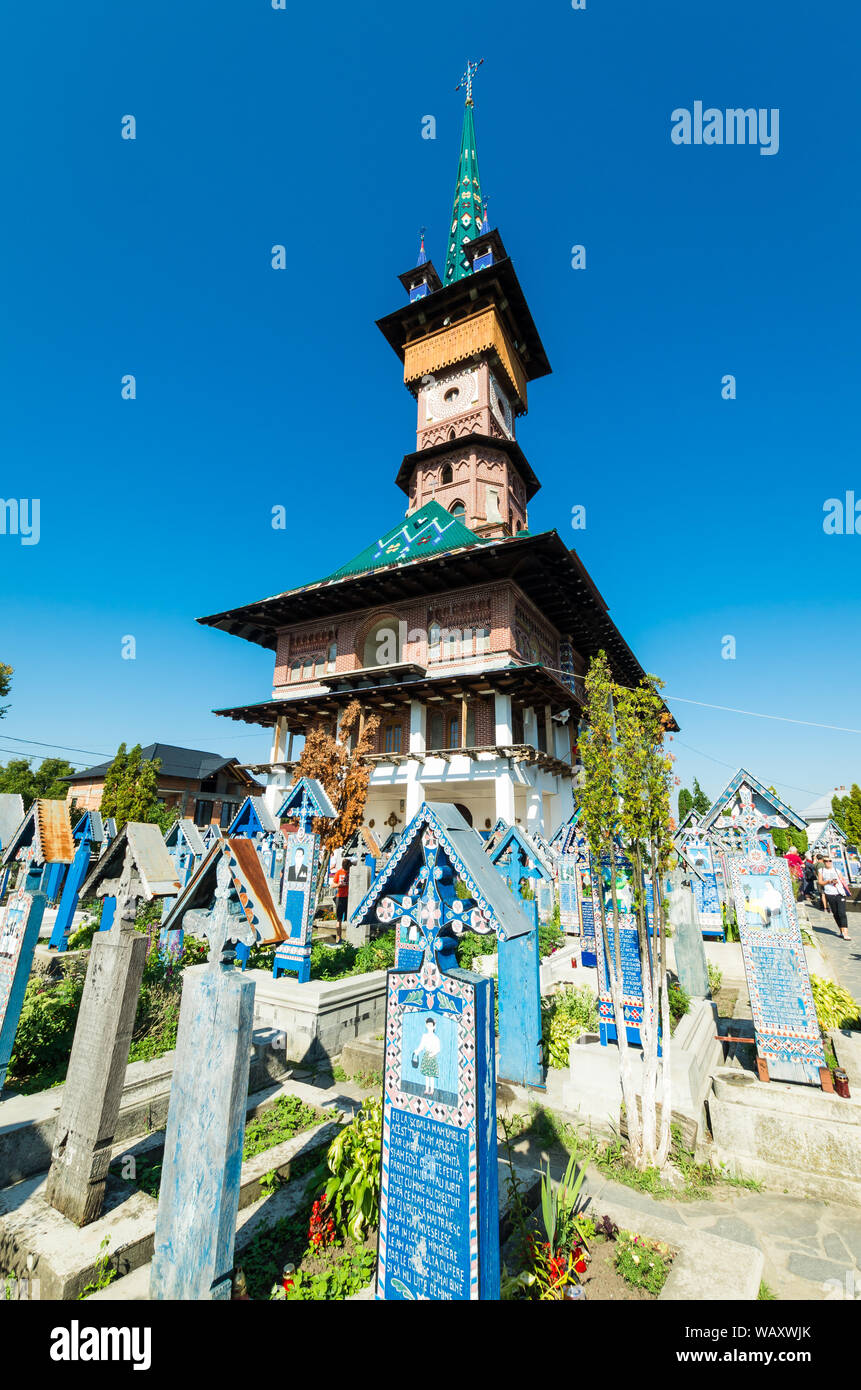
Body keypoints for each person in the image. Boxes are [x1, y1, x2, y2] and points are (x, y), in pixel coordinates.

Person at [817, 856, 851, 941]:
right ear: (823, 862)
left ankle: (846, 933)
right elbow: (820, 882)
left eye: (830, 861)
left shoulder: (837, 870)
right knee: (836, 913)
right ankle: (841, 930)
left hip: (839, 893)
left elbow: (842, 880)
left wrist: (838, 881)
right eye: (826, 861)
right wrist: (828, 881)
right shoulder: (821, 871)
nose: (828, 862)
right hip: (829, 893)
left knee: (842, 913)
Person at [412, 1017, 441, 1096]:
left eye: (431, 1026)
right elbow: (422, 1046)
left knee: (431, 1075)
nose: (429, 1027)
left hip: (432, 1057)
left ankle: (431, 1090)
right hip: (426, 1056)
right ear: (426, 1026)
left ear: (434, 1027)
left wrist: (432, 1054)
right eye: (428, 1025)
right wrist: (417, 1051)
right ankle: (427, 1089)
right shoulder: (424, 1036)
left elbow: (438, 1049)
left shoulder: (436, 1038)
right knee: (426, 1075)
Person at [333, 861, 350, 943]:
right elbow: (332, 885)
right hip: (340, 897)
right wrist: (339, 885)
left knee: (348, 918)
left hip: (349, 897)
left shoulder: (351, 873)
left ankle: (348, 937)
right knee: (339, 919)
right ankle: (338, 937)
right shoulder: (339, 872)